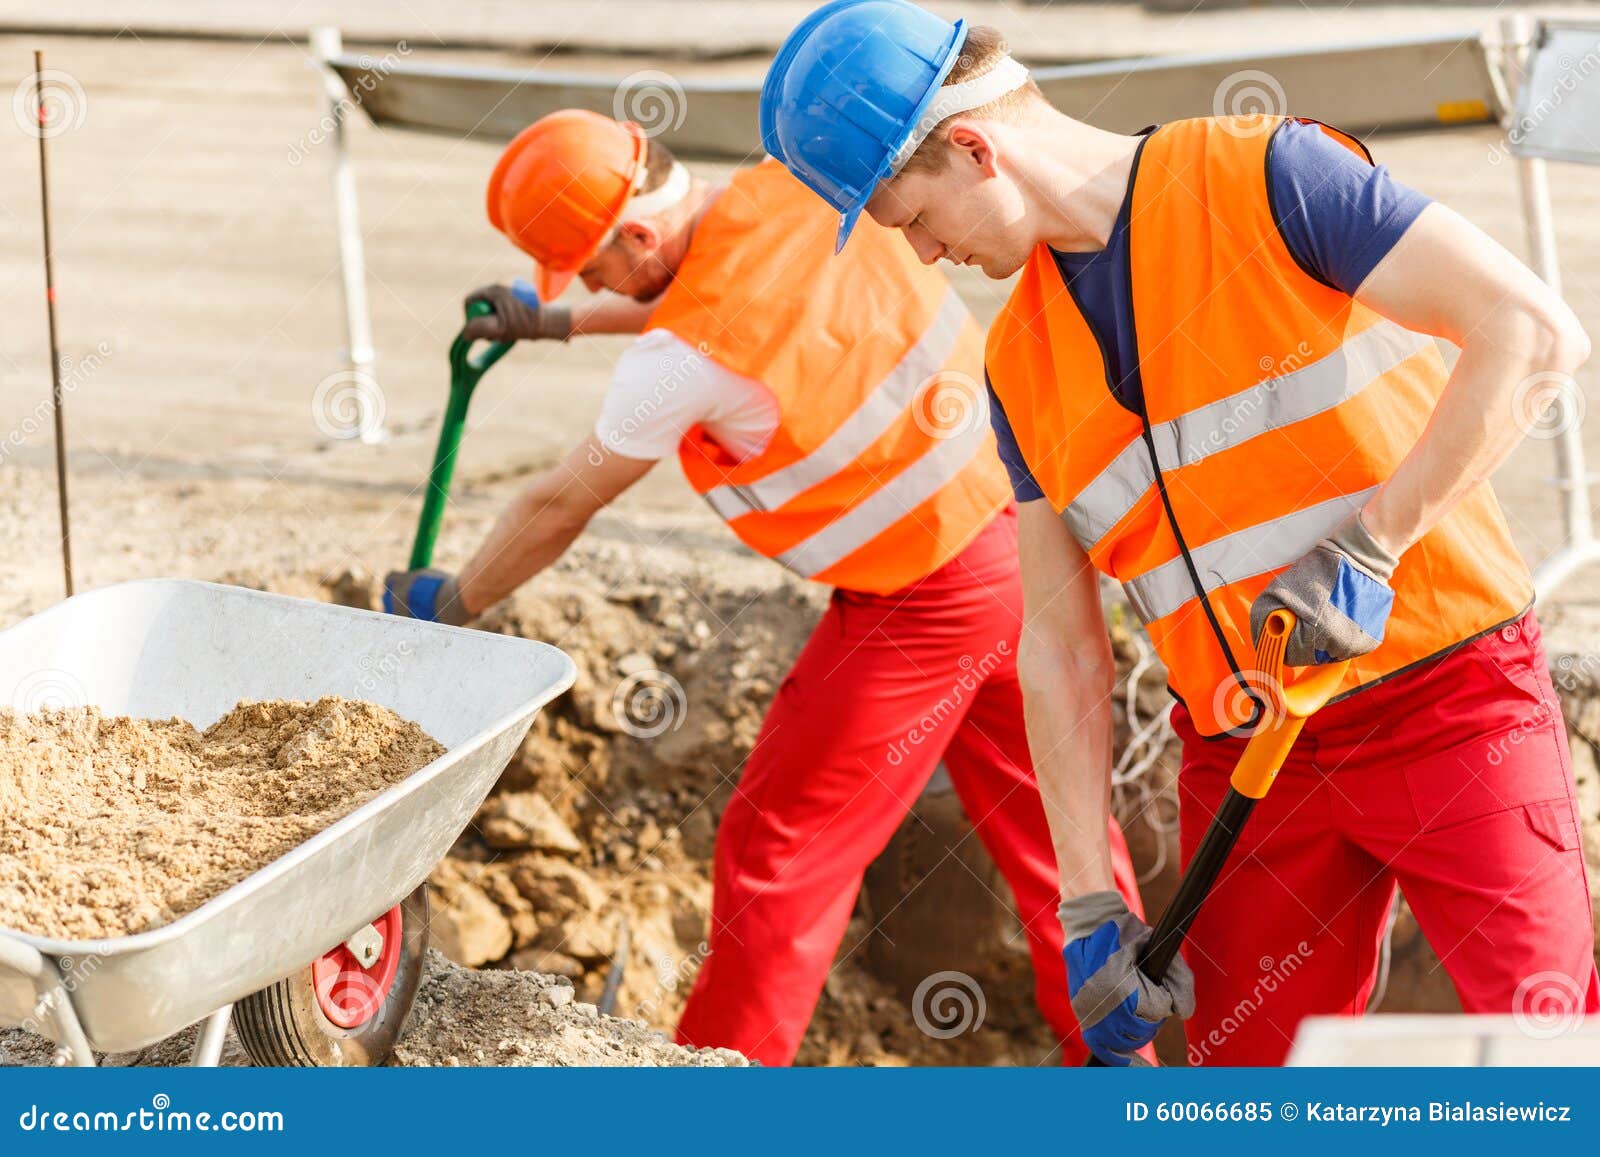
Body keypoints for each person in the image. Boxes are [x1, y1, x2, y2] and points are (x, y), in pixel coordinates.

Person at [762, 0, 1598, 1065]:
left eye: (913, 222)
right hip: (1250, 753)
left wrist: (1373, 544)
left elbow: (1529, 333)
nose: (926, 256)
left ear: (974, 148)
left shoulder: (1266, 177)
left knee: (1549, 1050)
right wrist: (1081, 902)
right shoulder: (1018, 366)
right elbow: (1060, 644)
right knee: (1247, 1090)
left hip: (1450, 701)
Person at [383, 108, 1146, 1065]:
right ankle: (1130, 1081)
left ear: (638, 235)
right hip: (1029, 548)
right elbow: (716, 286)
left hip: (925, 597)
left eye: (587, 270)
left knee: (780, 848)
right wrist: (557, 322)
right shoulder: (792, 191)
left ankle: (715, 1095)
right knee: (1062, 850)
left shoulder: (683, 359)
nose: (587, 285)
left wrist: (451, 605)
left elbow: (554, 506)